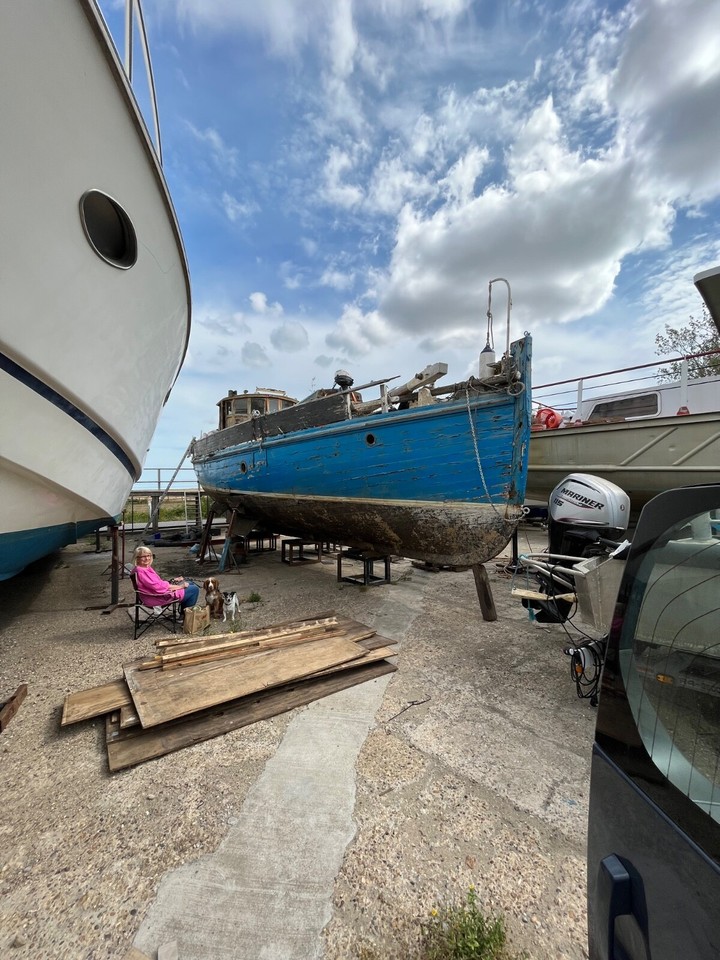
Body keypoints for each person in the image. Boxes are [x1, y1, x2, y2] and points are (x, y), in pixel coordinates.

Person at [131, 546, 200, 613]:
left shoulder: (144, 568)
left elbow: (156, 583)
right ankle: (185, 616)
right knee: (194, 589)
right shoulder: (142, 571)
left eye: (148, 555)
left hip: (153, 594)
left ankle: (183, 613)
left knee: (189, 583)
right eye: (143, 556)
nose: (147, 558)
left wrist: (173, 581)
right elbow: (157, 587)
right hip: (155, 598)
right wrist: (180, 587)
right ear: (137, 558)